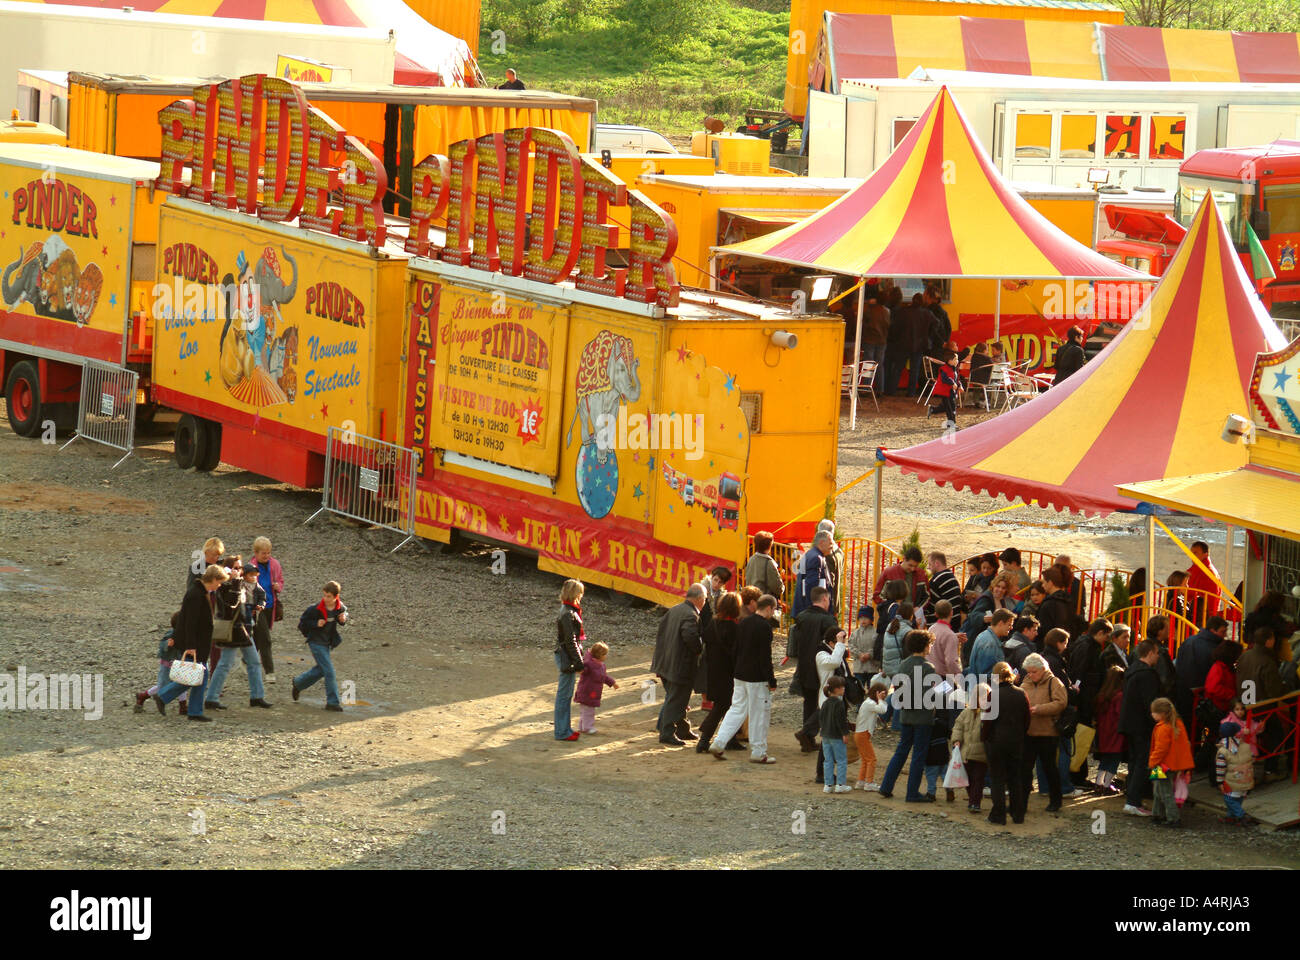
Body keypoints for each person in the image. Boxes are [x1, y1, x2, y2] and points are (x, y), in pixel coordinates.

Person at [708, 594, 779, 764]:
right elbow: (765, 657)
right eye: (774, 609)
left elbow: (736, 649)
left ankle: (719, 742)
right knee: (759, 714)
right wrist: (771, 680)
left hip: (740, 675)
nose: (774, 613)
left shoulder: (744, 622)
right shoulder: (764, 627)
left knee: (736, 709)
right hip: (757, 678)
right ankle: (759, 751)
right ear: (768, 608)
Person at [152, 564, 228, 721]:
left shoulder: (198, 592)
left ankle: (193, 711)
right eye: (219, 582)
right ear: (213, 579)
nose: (219, 586)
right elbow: (190, 624)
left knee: (198, 675)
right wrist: (192, 646)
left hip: (197, 642)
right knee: (196, 675)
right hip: (195, 643)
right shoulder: (196, 595)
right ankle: (164, 697)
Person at [877, 630, 938, 802]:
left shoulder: (903, 664)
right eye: (930, 644)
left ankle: (886, 786)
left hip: (906, 714)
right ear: (925, 645)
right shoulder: (928, 668)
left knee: (901, 751)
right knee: (918, 756)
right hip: (922, 717)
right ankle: (912, 793)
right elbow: (929, 696)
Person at [206, 563, 271, 710]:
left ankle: (257, 696)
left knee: (253, 662)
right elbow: (231, 605)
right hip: (233, 632)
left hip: (242, 630)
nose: (238, 570)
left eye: (239, 568)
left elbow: (249, 601)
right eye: (235, 567)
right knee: (225, 665)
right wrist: (235, 581)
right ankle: (211, 697)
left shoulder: (239, 584)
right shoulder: (224, 586)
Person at [651, 583, 705, 746]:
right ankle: (667, 732)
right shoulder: (690, 614)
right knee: (677, 699)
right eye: (705, 599)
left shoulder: (674, 610)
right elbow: (690, 637)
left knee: (677, 698)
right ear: (700, 598)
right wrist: (700, 649)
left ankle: (682, 729)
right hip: (679, 665)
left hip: (665, 663)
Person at [792, 587, 839, 753]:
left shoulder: (801, 616)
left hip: (804, 665)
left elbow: (794, 641)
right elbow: (834, 643)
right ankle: (806, 733)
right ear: (825, 599)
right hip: (822, 665)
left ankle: (808, 739)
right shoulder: (828, 620)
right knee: (826, 703)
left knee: (809, 701)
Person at [1019, 652, 1067, 812]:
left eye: (1034, 671)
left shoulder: (1054, 682)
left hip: (1048, 733)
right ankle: (1021, 803)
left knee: (1050, 768)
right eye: (1029, 672)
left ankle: (1056, 801)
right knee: (1025, 771)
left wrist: (1039, 709)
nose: (1031, 675)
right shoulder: (1025, 682)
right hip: (1029, 733)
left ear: (1043, 669)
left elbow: (1061, 703)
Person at [984, 661, 1031, 825]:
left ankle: (999, 815)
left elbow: (987, 721)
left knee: (997, 779)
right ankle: (1018, 815)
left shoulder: (993, 694)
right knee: (1014, 778)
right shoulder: (1021, 693)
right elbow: (1027, 719)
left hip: (997, 741)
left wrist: (985, 737)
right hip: (1016, 741)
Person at [291, 580, 348, 712]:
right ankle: (332, 703)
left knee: (322, 669)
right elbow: (302, 623)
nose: (325, 599)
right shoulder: (315, 609)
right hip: (315, 643)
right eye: (324, 595)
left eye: (329, 596)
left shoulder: (339, 607)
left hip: (327, 644)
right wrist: (316, 623)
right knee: (329, 671)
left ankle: (298, 683)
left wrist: (343, 619)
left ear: (336, 597)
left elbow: (344, 614)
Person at [1120, 640, 1162, 816]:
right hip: (1143, 726)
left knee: (1134, 761)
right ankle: (1133, 801)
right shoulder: (1147, 675)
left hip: (1130, 724)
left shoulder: (1132, 670)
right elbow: (1150, 704)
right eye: (1157, 653)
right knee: (1143, 762)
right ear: (1151, 652)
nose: (1159, 656)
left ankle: (1132, 797)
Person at [1235, 626, 1285, 774]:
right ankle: (1271, 769)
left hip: (1244, 704)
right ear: (1269, 641)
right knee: (1277, 734)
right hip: (1262, 707)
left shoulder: (1245, 656)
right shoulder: (1267, 661)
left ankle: (1257, 759)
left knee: (1256, 735)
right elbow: (1274, 690)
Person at [696, 593, 741, 753]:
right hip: (729, 673)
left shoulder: (713, 624)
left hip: (713, 672)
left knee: (726, 706)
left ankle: (730, 738)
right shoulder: (735, 628)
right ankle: (704, 740)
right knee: (723, 707)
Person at [1147, 697, 1194, 827]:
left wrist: (1151, 762)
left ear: (1161, 714)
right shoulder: (1177, 724)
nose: (1152, 714)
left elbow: (1160, 749)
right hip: (1173, 765)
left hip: (1161, 765)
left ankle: (1173, 818)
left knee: (1163, 791)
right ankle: (1157, 814)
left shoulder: (1163, 728)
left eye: (1153, 712)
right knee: (1159, 789)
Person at [1174, 615, 1229, 724]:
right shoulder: (1215, 648)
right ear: (1213, 630)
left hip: (1183, 691)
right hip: (1201, 694)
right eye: (1223, 632)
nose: (1225, 635)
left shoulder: (1189, 641)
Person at [551, 579, 586, 742]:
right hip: (567, 656)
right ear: (575, 594)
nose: (581, 595)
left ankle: (564, 729)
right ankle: (562, 731)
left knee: (564, 695)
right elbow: (571, 641)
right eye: (580, 592)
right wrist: (579, 662)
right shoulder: (569, 613)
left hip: (565, 654)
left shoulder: (566, 610)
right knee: (564, 696)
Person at [250, 536, 285, 684]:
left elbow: (281, 581)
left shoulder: (275, 564)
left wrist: (279, 587)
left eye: (269, 552)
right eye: (264, 553)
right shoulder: (250, 568)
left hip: (271, 605)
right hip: (258, 608)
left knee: (259, 638)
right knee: (266, 639)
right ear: (256, 553)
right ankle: (270, 671)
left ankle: (247, 660)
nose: (267, 555)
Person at [950, 682, 990, 812]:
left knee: (978, 779)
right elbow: (958, 726)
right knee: (967, 778)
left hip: (981, 753)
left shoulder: (989, 714)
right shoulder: (966, 712)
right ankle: (973, 798)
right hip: (965, 752)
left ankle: (974, 802)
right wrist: (956, 740)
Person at [1069, 618, 1111, 727]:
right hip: (1085, 693)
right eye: (1106, 636)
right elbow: (1079, 669)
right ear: (1100, 633)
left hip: (1085, 691)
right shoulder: (1088, 647)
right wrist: (1076, 688)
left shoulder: (1086, 644)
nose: (1106, 640)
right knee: (1083, 723)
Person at [1092, 665, 1126, 793]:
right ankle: (1106, 785)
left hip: (1103, 731)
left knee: (1105, 758)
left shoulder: (1102, 695)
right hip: (1116, 732)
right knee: (1114, 759)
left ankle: (1098, 783)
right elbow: (1120, 714)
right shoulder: (1119, 696)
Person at [574, 641, 619, 734]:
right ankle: (587, 727)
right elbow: (583, 670)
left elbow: (603, 677)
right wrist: (579, 670)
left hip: (591, 692)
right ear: (599, 655)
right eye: (604, 654)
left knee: (585, 710)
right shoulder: (589, 664)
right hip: (587, 692)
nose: (606, 656)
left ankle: (583, 727)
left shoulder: (600, 665)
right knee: (588, 711)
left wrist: (613, 683)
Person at [1215, 719, 1254, 825]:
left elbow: (1220, 768)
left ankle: (1242, 815)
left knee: (1229, 799)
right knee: (1238, 798)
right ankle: (1231, 818)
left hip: (1233, 781)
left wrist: (1219, 782)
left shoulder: (1223, 751)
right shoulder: (1245, 745)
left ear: (1220, 734)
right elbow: (1252, 758)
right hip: (1246, 778)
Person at [819, 676, 852, 793]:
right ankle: (840, 784)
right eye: (841, 687)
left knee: (828, 760)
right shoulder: (839, 703)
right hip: (836, 736)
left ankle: (828, 785)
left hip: (826, 735)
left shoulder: (825, 703)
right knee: (841, 760)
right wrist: (845, 733)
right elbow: (841, 720)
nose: (843, 689)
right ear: (836, 689)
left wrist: (822, 731)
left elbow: (821, 718)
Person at [854, 681, 889, 790]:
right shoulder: (870, 703)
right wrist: (880, 699)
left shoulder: (868, 703)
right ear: (877, 693)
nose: (884, 697)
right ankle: (869, 782)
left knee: (866, 759)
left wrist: (879, 699)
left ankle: (861, 781)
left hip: (860, 734)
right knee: (872, 759)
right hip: (863, 734)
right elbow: (883, 710)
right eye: (883, 694)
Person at [967, 609, 1015, 681]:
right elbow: (986, 675)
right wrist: (1009, 677)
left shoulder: (984, 635)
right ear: (1001, 623)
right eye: (1009, 625)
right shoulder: (990, 643)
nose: (1011, 628)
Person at [792, 530, 832, 617]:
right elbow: (811, 587)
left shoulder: (810, 554)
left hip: (804, 611)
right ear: (821, 542)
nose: (832, 546)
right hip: (810, 613)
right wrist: (815, 612)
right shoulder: (816, 558)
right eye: (830, 543)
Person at [1185, 541, 1222, 626]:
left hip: (1201, 617)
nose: (1192, 556)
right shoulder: (1203, 569)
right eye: (1191, 553)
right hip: (1202, 615)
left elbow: (1205, 597)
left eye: (1195, 553)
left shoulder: (1207, 572)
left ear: (1205, 554)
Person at [1034, 565, 1075, 641]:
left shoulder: (1048, 604)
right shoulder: (1068, 600)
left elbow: (1043, 629)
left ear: (1050, 583)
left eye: (1044, 582)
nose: (1042, 585)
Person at [744, 532, 784, 604]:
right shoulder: (769, 562)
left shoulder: (751, 559)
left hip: (751, 600)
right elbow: (777, 588)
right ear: (770, 545)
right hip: (764, 602)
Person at [1203, 639, 1243, 712]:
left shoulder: (1226, 667)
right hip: (1219, 707)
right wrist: (1232, 694)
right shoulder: (1218, 668)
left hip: (1224, 705)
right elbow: (1213, 688)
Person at [924, 551, 965, 622]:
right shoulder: (952, 577)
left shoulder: (936, 580)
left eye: (930, 564)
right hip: (955, 621)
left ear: (936, 563)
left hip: (940, 624)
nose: (929, 567)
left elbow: (929, 605)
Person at [860, 294, 890, 388]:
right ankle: (880, 388)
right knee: (879, 364)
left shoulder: (870, 310)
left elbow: (864, 322)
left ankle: (866, 386)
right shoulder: (887, 311)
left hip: (870, 339)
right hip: (882, 340)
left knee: (869, 363)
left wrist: (869, 305)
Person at [927, 600, 962, 679]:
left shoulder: (931, 629)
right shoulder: (950, 635)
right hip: (942, 677)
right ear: (951, 612)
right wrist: (958, 675)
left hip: (929, 674)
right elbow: (951, 661)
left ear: (935, 614)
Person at [926, 349, 959, 427]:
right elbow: (945, 379)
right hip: (945, 392)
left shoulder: (954, 369)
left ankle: (933, 409)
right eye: (956, 359)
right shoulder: (944, 369)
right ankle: (951, 424)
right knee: (950, 409)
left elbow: (956, 379)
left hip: (950, 392)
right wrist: (952, 383)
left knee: (949, 407)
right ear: (950, 361)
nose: (957, 361)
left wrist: (959, 386)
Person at [850, 605, 877, 683]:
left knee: (872, 688)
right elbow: (851, 646)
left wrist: (869, 654)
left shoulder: (875, 633)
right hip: (859, 667)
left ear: (871, 620)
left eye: (866, 617)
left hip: (872, 667)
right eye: (861, 618)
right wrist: (859, 654)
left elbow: (877, 647)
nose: (863, 620)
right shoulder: (855, 633)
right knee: (859, 688)